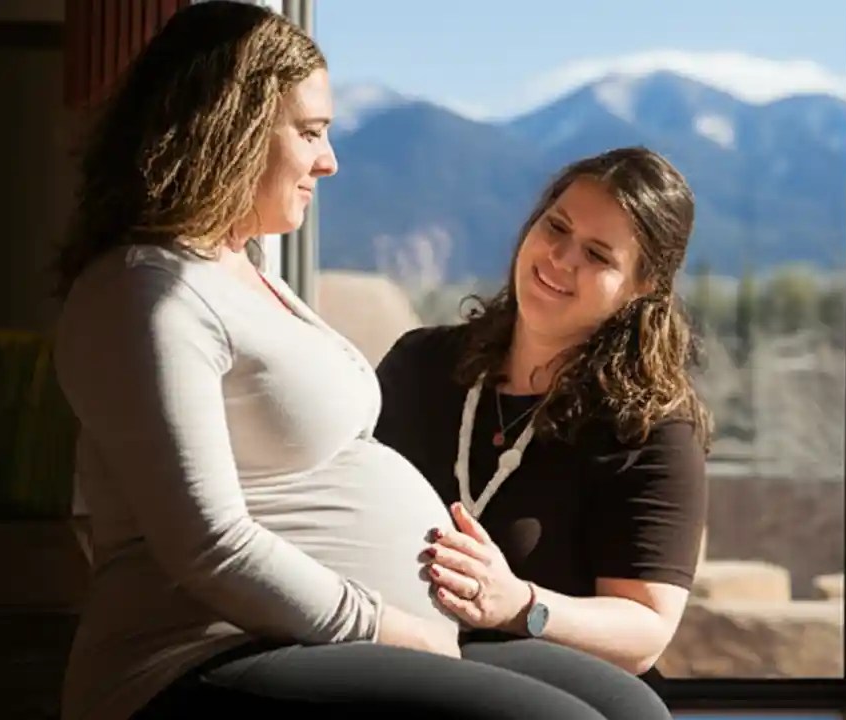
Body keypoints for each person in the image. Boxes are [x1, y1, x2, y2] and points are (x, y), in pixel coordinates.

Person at [53, 3, 621, 719]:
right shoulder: (146, 292)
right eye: (312, 133)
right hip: (204, 653)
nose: (330, 161)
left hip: (335, 637)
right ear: (233, 128)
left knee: (627, 707)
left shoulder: (243, 268)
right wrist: (389, 628)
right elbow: (207, 544)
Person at [374, 147, 710, 695]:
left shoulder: (650, 430)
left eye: (598, 255)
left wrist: (519, 605)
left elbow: (645, 629)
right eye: (556, 226)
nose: (560, 258)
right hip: (391, 664)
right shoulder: (419, 365)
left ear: (643, 288)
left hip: (559, 691)